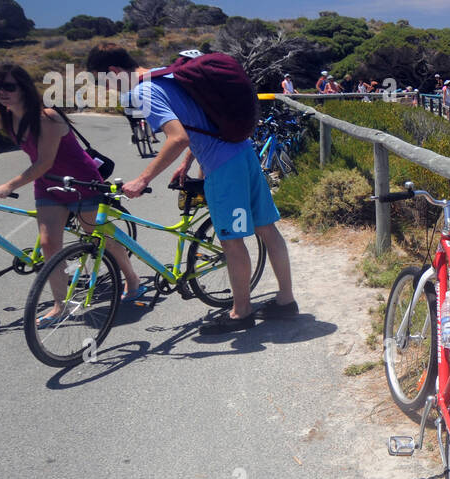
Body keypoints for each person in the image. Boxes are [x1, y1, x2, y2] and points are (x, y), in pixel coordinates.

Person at [86, 45, 296, 332]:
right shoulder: (170, 76)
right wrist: (187, 163)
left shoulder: (141, 93)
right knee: (267, 228)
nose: (108, 89)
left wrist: (143, 179)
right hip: (242, 151)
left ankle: (241, 312)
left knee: (232, 241)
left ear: (113, 72)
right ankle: (286, 301)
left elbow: (178, 137)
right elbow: (201, 120)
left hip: (223, 165)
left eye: (104, 82)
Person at [0, 63, 143, 319]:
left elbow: (44, 162)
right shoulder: (3, 116)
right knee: (49, 245)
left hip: (81, 183)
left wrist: (9, 185)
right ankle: (60, 305)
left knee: (101, 238)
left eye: (9, 86)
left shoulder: (48, 117)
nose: (2, 92)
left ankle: (131, 278)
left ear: (24, 88)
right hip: (47, 185)